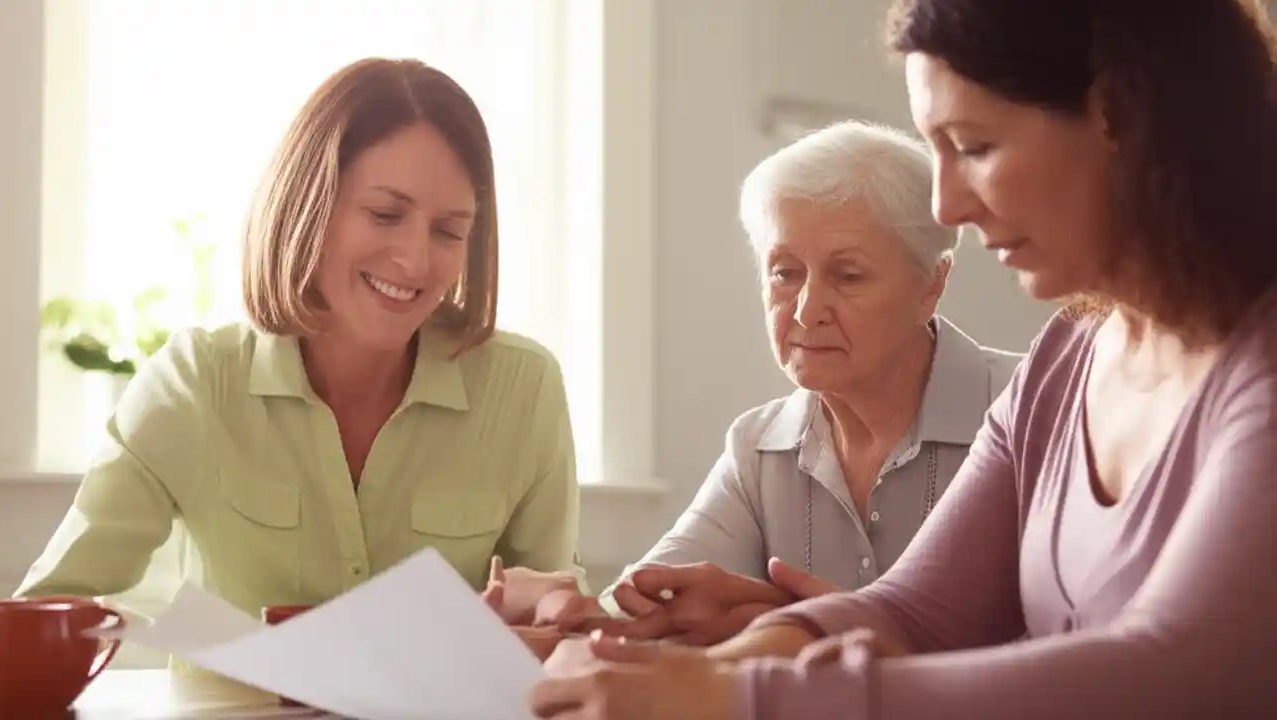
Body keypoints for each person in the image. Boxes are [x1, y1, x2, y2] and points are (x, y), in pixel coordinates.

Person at [529, 1, 1277, 717]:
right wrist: (722, 663)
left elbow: (1179, 672)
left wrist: (736, 696)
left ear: (1118, 116)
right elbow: (917, 610)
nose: (947, 206)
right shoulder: (1065, 359)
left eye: (975, 147)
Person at [18, 58, 581, 622]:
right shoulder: (196, 383)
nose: (414, 261)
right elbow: (44, 609)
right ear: (309, 205)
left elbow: (558, 638)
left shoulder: (523, 389)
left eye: (448, 231)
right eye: (385, 214)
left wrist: (559, 614)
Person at [603, 120, 1021, 646]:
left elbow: (1072, 650)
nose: (806, 310)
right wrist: (573, 611)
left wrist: (794, 623)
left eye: (847, 277)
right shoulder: (758, 446)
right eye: (784, 273)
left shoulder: (1031, 408)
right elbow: (644, 599)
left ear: (933, 284)